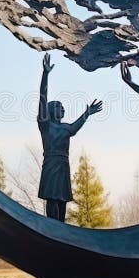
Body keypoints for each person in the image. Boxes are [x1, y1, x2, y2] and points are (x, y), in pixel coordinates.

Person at [37, 53, 103, 222]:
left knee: (62, 198)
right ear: (50, 111)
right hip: (51, 163)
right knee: (52, 197)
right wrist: (45, 74)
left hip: (63, 165)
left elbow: (74, 127)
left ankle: (62, 227)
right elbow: (42, 97)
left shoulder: (66, 128)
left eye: (63, 108)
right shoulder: (46, 125)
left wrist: (87, 113)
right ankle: (53, 227)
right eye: (59, 107)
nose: (63, 110)